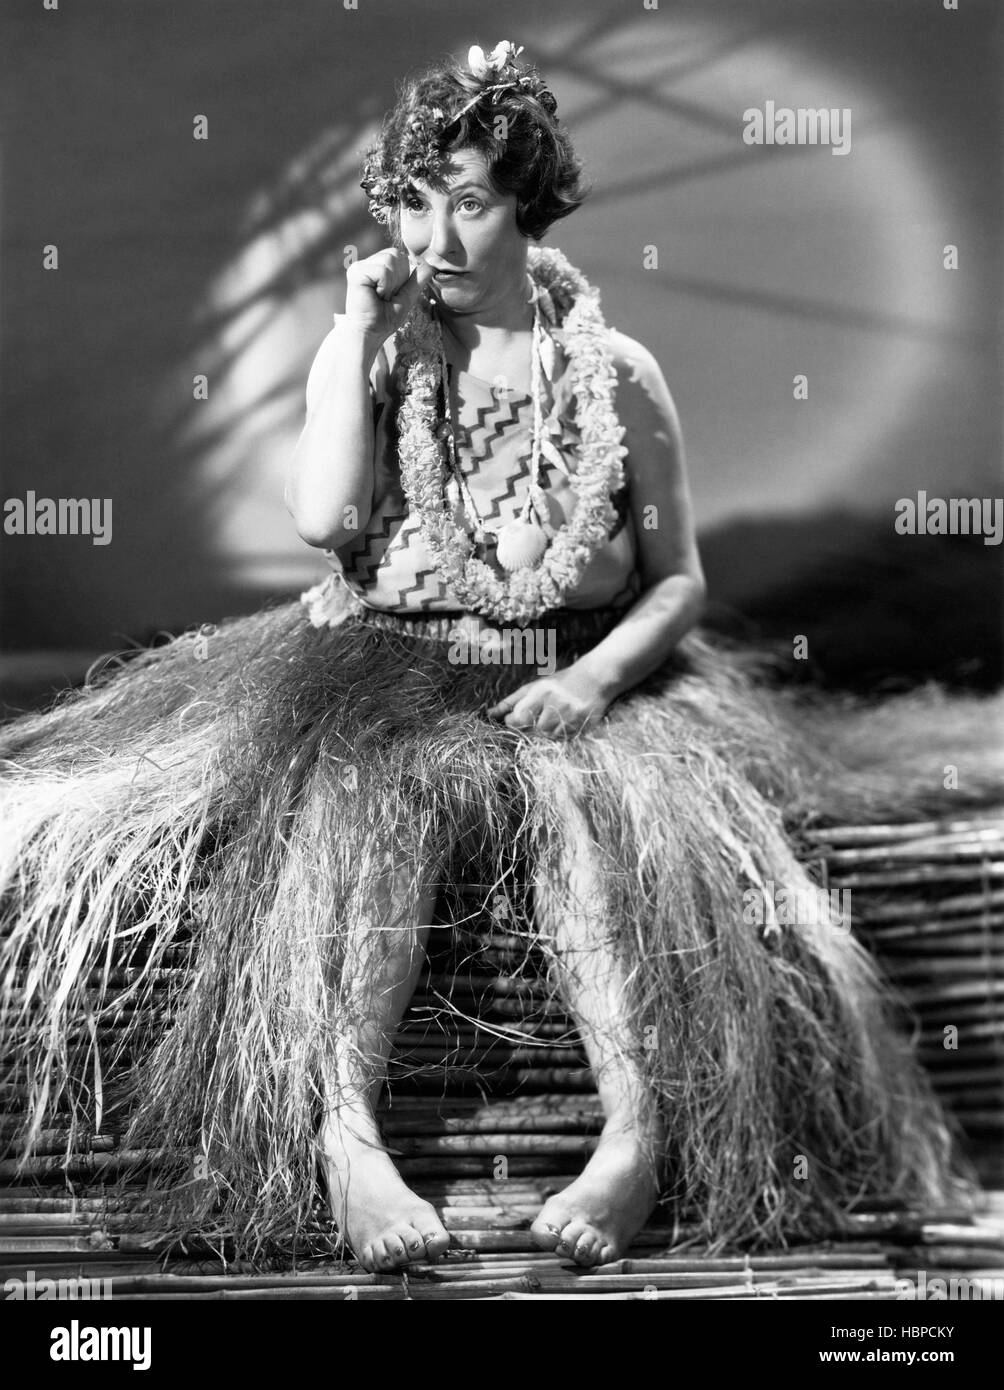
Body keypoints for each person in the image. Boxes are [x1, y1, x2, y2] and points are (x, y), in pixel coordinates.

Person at [1, 40, 996, 1273]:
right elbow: (325, 524)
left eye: (466, 202)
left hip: (572, 672)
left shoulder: (615, 375)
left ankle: (633, 1135)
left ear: (528, 202)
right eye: (412, 205)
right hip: (385, 669)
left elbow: (676, 577)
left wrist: (590, 680)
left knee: (596, 827)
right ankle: (344, 1132)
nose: (436, 238)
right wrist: (357, 341)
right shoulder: (372, 351)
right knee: (372, 812)